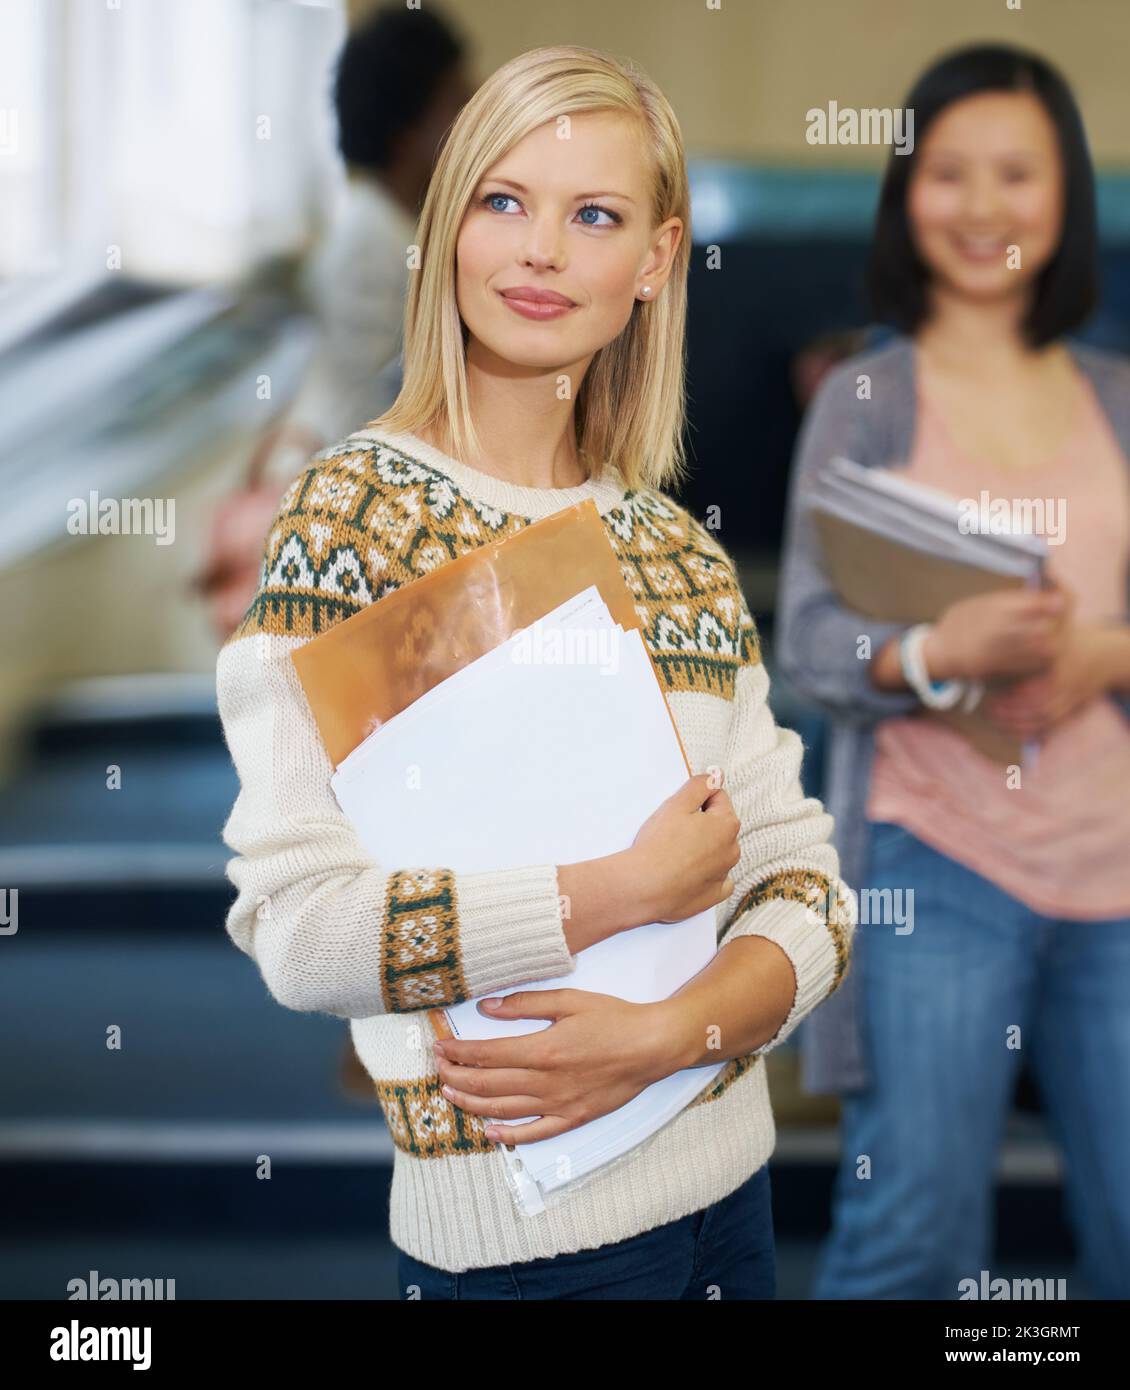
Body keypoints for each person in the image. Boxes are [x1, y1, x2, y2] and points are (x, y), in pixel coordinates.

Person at [216, 43, 855, 1300]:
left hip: (732, 1201)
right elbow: (299, 929)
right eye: (503, 201)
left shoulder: (676, 552)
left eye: (595, 215)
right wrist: (609, 892)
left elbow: (809, 885)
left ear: (656, 260)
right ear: (446, 223)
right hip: (524, 1243)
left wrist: (669, 1035)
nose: (541, 251)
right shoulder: (358, 524)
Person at [775, 44, 1130, 1299]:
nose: (981, 208)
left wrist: (1098, 652)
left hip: (1114, 865)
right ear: (903, 193)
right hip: (930, 860)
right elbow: (806, 639)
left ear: (1064, 195)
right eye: (949, 174)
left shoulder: (1114, 395)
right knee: (910, 1238)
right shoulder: (864, 396)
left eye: (1015, 174)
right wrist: (933, 653)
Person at [198, 4, 472, 640]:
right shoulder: (371, 240)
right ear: (409, 128)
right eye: (455, 104)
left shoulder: (400, 229)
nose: (470, 127)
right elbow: (387, 400)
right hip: (346, 507)